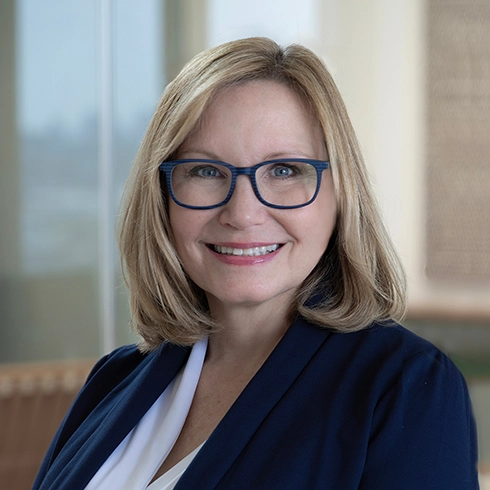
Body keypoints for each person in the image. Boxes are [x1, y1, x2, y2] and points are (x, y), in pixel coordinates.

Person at [32, 37, 478, 490]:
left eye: (284, 170)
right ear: (161, 196)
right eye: (205, 171)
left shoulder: (405, 388)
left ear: (341, 193)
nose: (243, 214)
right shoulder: (113, 380)